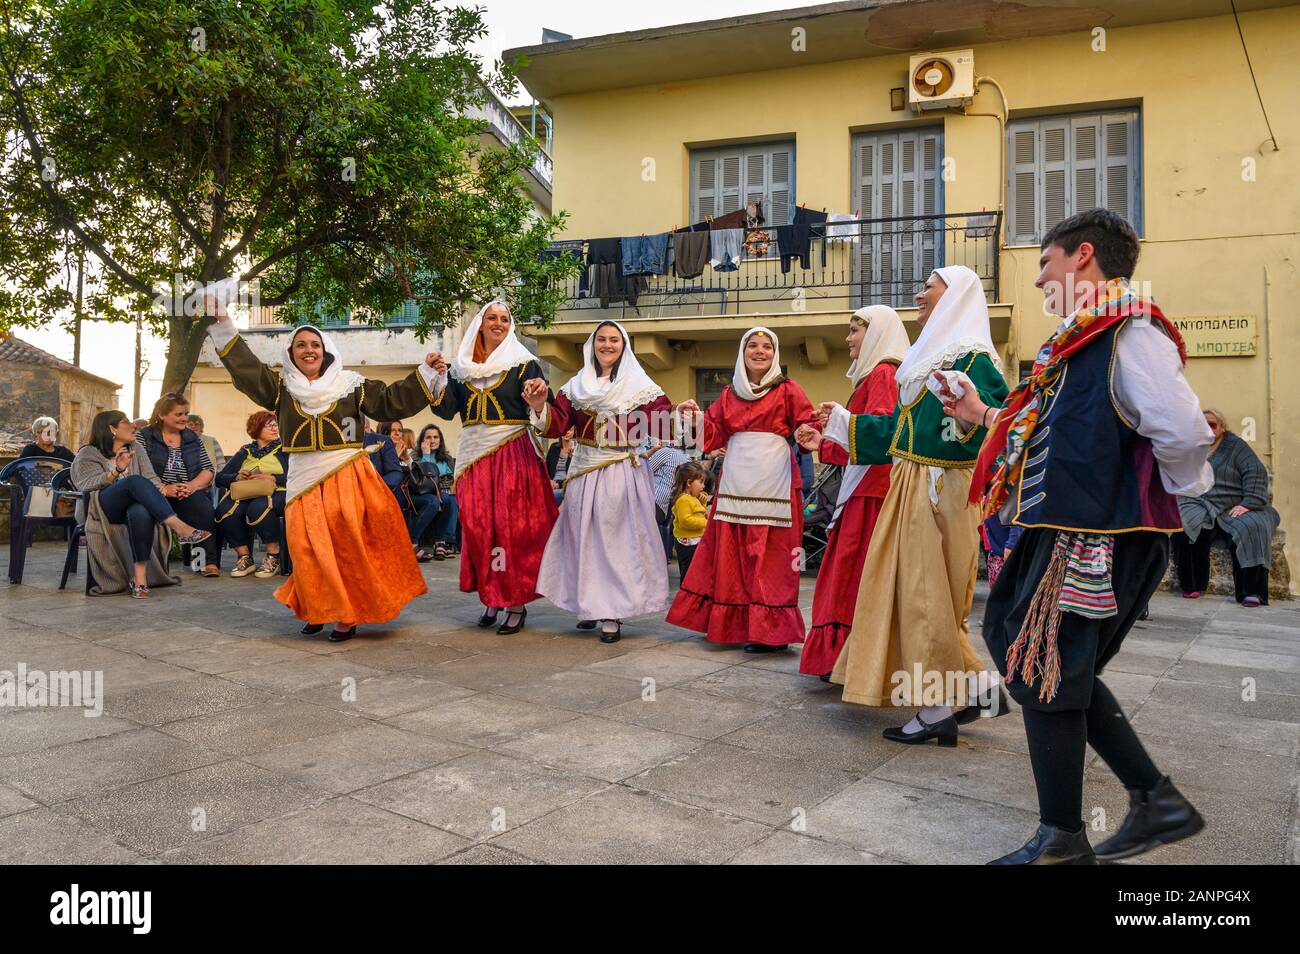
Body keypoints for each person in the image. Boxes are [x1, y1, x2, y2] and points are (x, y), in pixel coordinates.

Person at [943, 208, 1213, 864]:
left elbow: (1186, 432)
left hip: (1097, 535)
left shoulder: (1129, 331)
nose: (1038, 279)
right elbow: (1052, 433)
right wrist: (982, 414)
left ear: (1082, 256)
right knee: (1047, 664)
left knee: (1046, 667)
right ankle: (1154, 801)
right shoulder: (1080, 340)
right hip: (1069, 531)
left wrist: (1157, 493)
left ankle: (1065, 837)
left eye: (1045, 263)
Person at [815, 265, 1010, 744]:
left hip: (943, 489)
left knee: (926, 595)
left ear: (956, 296)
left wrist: (969, 417)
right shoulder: (926, 358)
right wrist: (843, 422)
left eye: (930, 286)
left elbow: (996, 421)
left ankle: (941, 706)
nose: (919, 294)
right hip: (911, 481)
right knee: (915, 592)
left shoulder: (974, 358)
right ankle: (976, 689)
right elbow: (902, 438)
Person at [205, 294, 433, 641]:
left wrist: (427, 374)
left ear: (325, 350)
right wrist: (222, 324)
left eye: (314, 344)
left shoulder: (352, 385)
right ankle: (316, 606)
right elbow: (248, 372)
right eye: (300, 345)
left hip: (347, 476)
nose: (308, 350)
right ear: (292, 352)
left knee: (343, 548)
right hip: (302, 478)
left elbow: (390, 402)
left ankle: (345, 613)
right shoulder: (282, 389)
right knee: (306, 549)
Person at [669, 327, 819, 652]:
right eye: (753, 345)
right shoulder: (728, 394)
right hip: (735, 481)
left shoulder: (789, 389)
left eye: (767, 346)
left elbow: (809, 425)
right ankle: (734, 625)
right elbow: (713, 434)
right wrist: (694, 419)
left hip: (775, 482)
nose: (760, 351)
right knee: (731, 554)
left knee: (773, 557)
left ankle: (771, 633)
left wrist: (810, 431)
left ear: (775, 353)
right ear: (743, 352)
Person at [526, 320, 675, 642]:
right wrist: (540, 407)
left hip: (621, 467)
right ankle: (590, 604)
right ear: (592, 345)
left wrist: (682, 418)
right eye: (601, 340)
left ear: (624, 347)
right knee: (583, 539)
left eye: (614, 341)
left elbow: (663, 425)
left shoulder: (640, 385)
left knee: (616, 541)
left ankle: (612, 611)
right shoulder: (575, 385)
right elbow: (559, 423)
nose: (607, 345)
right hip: (583, 470)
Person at [421, 299, 559, 635]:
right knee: (479, 529)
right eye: (491, 318)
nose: (498, 323)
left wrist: (537, 398)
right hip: (472, 459)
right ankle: (491, 595)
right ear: (480, 323)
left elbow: (545, 408)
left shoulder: (524, 364)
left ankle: (514, 601)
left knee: (510, 531)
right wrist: (435, 375)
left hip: (513, 454)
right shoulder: (461, 367)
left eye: (504, 318)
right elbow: (445, 410)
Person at [796, 305, 907, 679]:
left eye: (856, 330)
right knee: (850, 574)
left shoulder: (883, 372)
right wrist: (823, 443)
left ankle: (849, 661)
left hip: (870, 495)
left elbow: (882, 435)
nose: (848, 338)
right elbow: (862, 443)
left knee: (851, 574)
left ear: (876, 333)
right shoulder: (876, 375)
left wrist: (842, 419)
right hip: (863, 489)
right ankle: (849, 661)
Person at [70, 411, 210, 597]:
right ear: (112, 429)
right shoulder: (89, 452)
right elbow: (85, 485)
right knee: (133, 480)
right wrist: (117, 470)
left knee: (141, 511)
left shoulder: (136, 448)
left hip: (131, 507)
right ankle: (179, 527)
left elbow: (151, 478)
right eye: (126, 422)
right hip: (101, 507)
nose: (133, 426)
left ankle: (140, 580)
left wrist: (166, 489)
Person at [1173, 409, 1279, 606]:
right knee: (1184, 522)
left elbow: (1255, 472)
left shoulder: (1236, 447)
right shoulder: (1191, 446)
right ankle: (1192, 584)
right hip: (1199, 500)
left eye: (1212, 425)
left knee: (1253, 527)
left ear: (1222, 428)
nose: (1207, 428)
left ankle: (1252, 592)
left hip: (1235, 503)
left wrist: (1249, 502)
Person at [135, 393, 218, 575]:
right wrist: (164, 488)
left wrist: (191, 486)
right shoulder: (144, 436)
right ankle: (149, 566)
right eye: (178, 414)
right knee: (143, 513)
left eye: (185, 414)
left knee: (203, 509)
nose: (184, 418)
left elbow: (208, 469)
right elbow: (139, 469)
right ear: (162, 415)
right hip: (155, 490)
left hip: (185, 489)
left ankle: (204, 563)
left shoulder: (191, 438)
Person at [214, 410, 287, 579]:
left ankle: (273, 555)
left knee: (257, 508)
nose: (275, 428)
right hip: (248, 492)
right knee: (224, 510)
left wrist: (273, 477)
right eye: (269, 425)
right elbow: (220, 478)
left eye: (276, 424)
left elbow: (296, 476)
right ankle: (244, 557)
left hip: (278, 491)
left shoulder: (284, 448)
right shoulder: (246, 451)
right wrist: (237, 476)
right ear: (256, 428)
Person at [411, 423, 458, 560]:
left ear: (440, 440)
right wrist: (426, 455)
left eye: (436, 437)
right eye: (428, 437)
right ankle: (442, 541)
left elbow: (453, 477)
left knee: (451, 499)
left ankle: (442, 543)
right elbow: (423, 478)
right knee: (445, 499)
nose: (432, 441)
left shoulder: (447, 459)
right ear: (422, 440)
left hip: (444, 491)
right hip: (423, 492)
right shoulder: (416, 457)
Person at [649, 438, 691, 560]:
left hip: (655, 499)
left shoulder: (667, 452)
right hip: (667, 503)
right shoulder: (686, 457)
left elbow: (644, 470)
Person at [671, 461, 709, 580]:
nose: (703, 486)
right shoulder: (684, 500)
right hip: (688, 544)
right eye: (701, 482)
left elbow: (698, 515)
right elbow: (686, 520)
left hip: (694, 540)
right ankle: (686, 593)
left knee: (693, 572)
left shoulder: (692, 498)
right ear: (689, 483)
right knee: (688, 573)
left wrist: (702, 504)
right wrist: (707, 523)